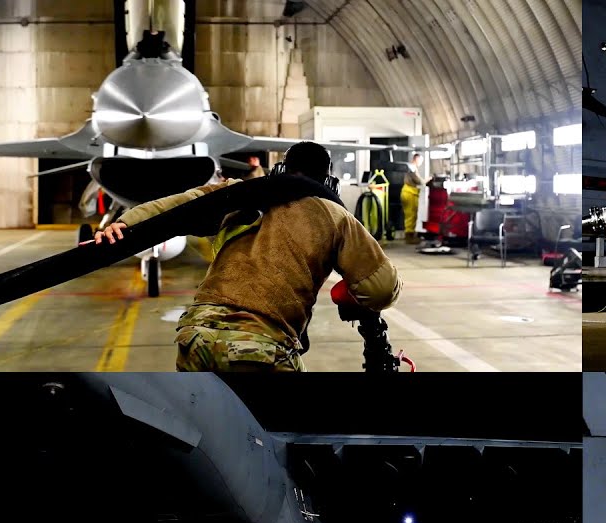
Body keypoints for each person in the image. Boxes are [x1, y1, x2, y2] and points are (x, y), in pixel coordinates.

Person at [91, 141, 401, 371]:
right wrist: (349, 294)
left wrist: (126, 224)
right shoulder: (334, 214)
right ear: (327, 179)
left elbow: (177, 207)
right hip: (261, 343)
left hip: (196, 337)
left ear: (281, 169)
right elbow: (380, 289)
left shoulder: (238, 192)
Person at [401, 153, 424, 244]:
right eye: (421, 161)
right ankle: (409, 237)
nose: (421, 163)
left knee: (410, 214)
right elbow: (419, 181)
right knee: (411, 215)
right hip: (410, 192)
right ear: (416, 159)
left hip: (407, 191)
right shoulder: (412, 168)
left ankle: (410, 235)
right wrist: (427, 180)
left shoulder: (411, 167)